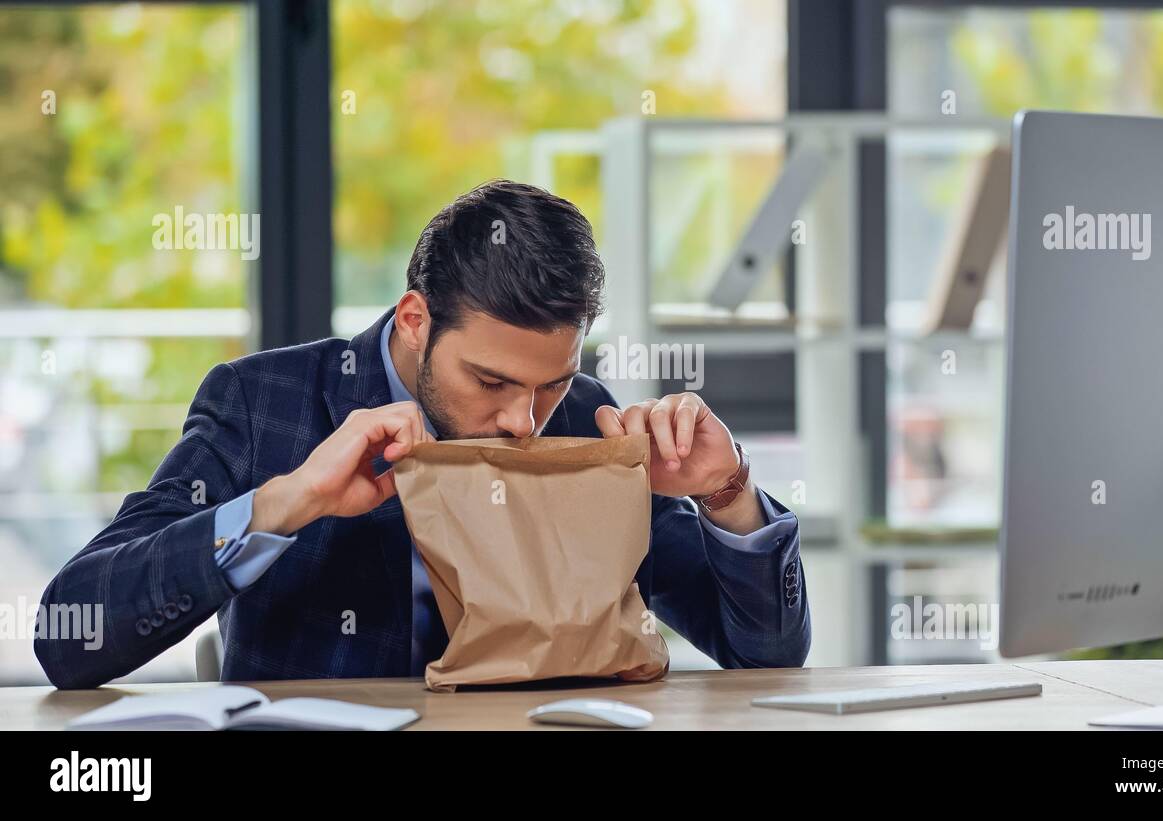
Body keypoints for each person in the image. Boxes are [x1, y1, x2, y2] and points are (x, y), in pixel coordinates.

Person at [35, 180, 810, 688]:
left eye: (551, 382)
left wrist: (727, 491)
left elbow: (766, 658)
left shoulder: (581, 417)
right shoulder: (261, 400)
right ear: (415, 321)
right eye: (492, 381)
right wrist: (283, 503)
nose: (522, 420)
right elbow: (68, 637)